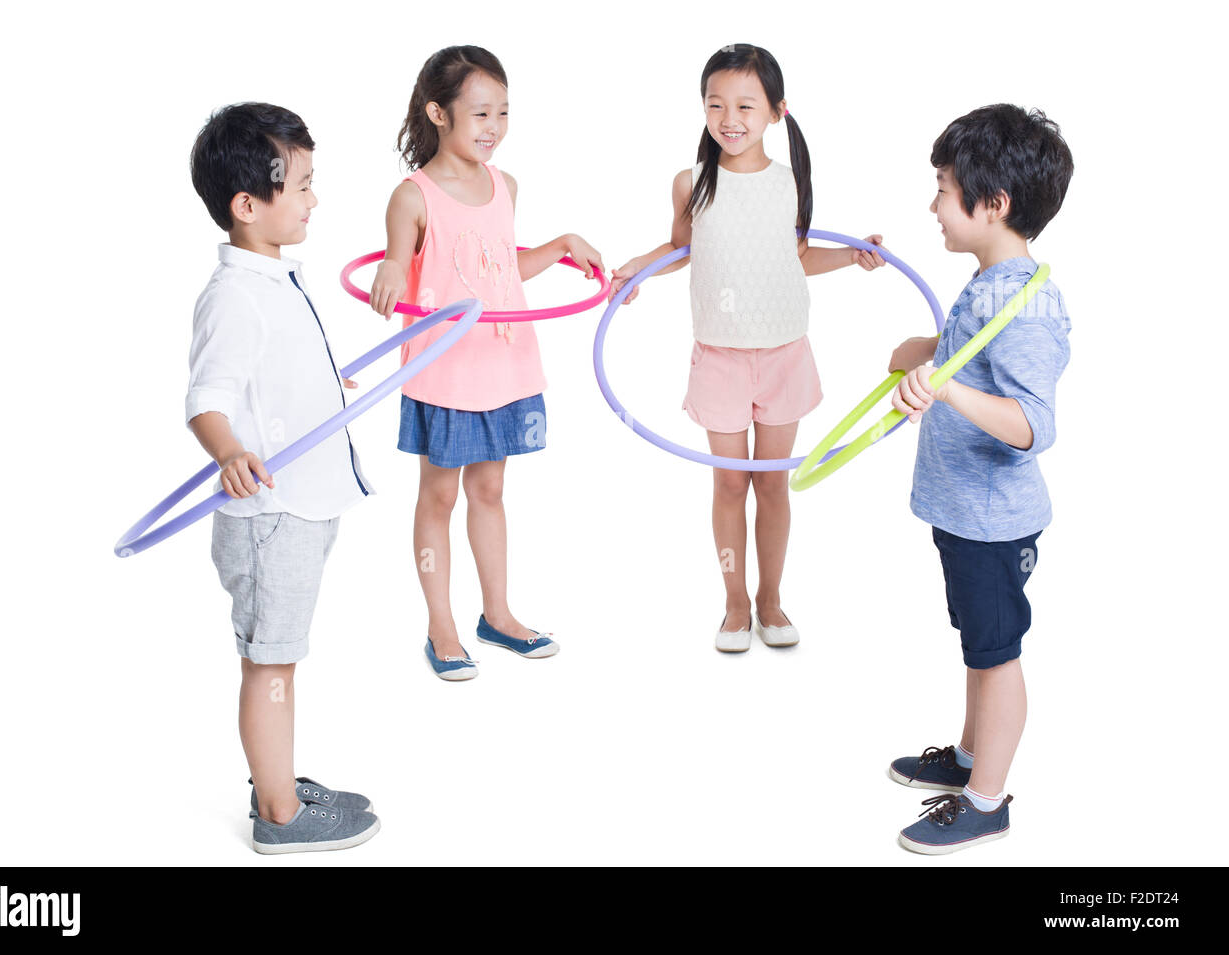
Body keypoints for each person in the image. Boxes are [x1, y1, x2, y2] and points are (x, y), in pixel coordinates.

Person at [609, 42, 885, 653]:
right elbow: (679, 252)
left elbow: (799, 257)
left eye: (745, 105)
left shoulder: (789, 183)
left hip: (785, 354)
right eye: (716, 104)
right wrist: (635, 270)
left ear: (776, 111)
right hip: (722, 358)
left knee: (773, 485)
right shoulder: (693, 182)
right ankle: (735, 603)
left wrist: (855, 257)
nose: (729, 118)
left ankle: (772, 599)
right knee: (731, 484)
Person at [370, 46, 604, 681]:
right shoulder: (412, 196)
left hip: (502, 365)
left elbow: (498, 269)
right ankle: (439, 623)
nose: (493, 127)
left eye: (503, 113)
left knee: (491, 488)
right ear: (438, 113)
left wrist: (556, 249)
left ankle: (497, 614)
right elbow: (402, 264)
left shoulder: (506, 186)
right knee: (440, 493)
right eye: (480, 114)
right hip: (446, 370)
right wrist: (393, 267)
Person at [188, 102, 379, 852]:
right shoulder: (235, 295)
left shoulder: (273, 277)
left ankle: (278, 777)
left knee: (279, 657)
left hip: (301, 508)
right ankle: (278, 815)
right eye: (300, 184)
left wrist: (330, 391)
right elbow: (207, 399)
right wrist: (230, 452)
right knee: (274, 663)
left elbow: (280, 375)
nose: (313, 198)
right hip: (273, 515)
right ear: (248, 205)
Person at [886, 103, 1073, 854]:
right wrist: (924, 352)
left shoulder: (1026, 303)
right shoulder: (990, 283)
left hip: (994, 520)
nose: (932, 205)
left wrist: (948, 387)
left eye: (942, 188)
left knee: (996, 655)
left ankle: (988, 801)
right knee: (976, 644)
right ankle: (968, 759)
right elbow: (963, 351)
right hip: (964, 511)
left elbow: (1033, 425)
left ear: (992, 205)